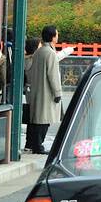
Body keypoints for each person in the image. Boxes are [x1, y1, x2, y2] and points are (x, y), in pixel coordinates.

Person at [25, 25, 63, 155]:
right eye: (57, 34)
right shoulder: (50, 53)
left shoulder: (38, 52)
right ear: (53, 37)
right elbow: (53, 75)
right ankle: (38, 146)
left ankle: (35, 145)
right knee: (44, 120)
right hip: (47, 92)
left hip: (37, 89)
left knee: (38, 119)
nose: (57, 36)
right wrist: (57, 92)